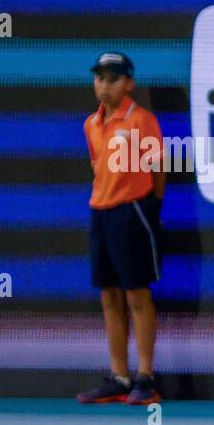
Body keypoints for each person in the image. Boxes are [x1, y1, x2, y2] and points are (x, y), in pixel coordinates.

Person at [75, 52, 165, 406]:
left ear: (129, 83)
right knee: (109, 296)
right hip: (100, 214)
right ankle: (119, 376)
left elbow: (159, 169)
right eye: (100, 78)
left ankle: (145, 377)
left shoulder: (142, 120)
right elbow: (99, 169)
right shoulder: (90, 125)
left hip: (133, 214)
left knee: (136, 295)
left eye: (113, 79)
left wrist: (150, 206)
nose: (104, 85)